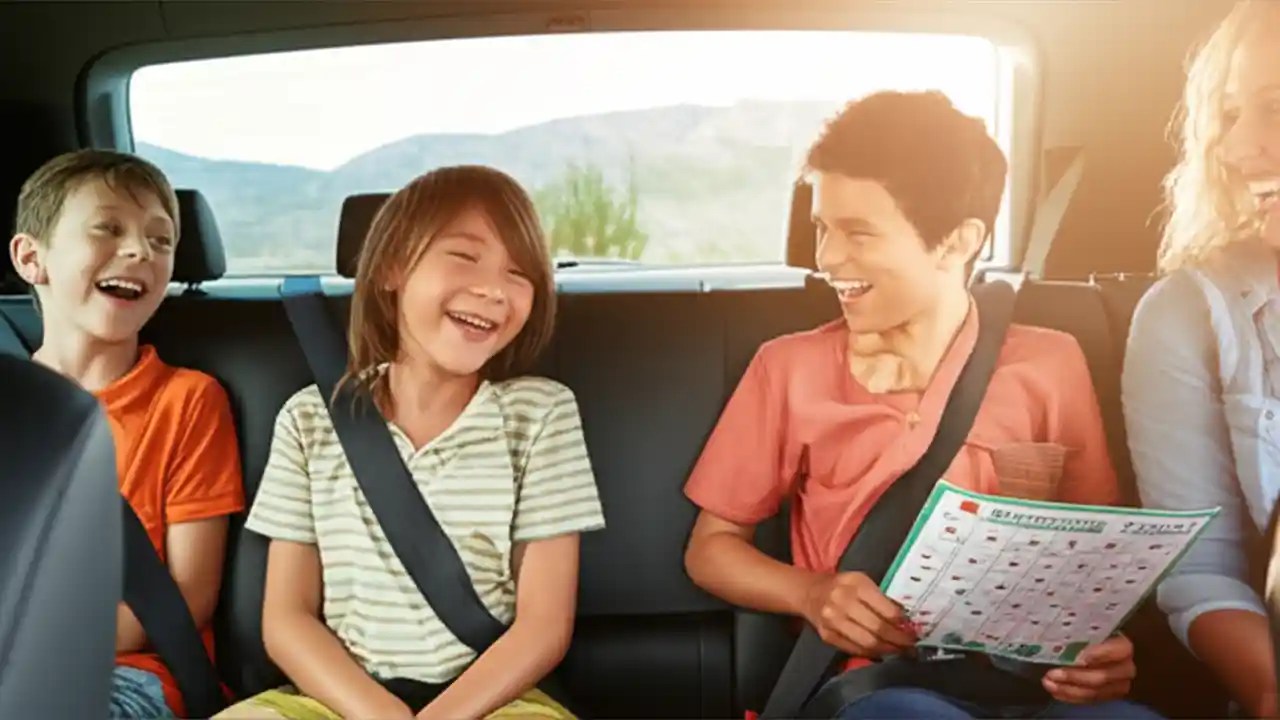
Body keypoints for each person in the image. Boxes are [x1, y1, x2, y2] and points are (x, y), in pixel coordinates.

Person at [682, 90, 1161, 719]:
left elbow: (1096, 557)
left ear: (957, 242)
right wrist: (812, 594)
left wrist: (1101, 652)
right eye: (822, 227)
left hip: (1026, 686)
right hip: (874, 687)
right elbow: (711, 548)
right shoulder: (790, 369)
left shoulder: (1049, 364)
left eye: (858, 233)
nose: (826, 258)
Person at [215, 165, 606, 720]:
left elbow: (543, 625)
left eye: (519, 273)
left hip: (495, 702)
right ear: (393, 267)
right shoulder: (310, 419)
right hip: (339, 701)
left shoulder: (540, 415)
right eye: (464, 257)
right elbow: (286, 618)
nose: (493, 289)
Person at [7, 149, 245, 718]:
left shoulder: (187, 401)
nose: (140, 250)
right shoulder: (11, 406)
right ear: (31, 258)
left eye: (161, 240)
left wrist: (35, 651)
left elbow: (189, 595)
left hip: (131, 671)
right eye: (108, 229)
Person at [1122, 1, 1280, 716]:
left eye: (1273, 108)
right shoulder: (1190, 316)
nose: (1237, 146)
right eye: (1229, 114)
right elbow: (1201, 571)